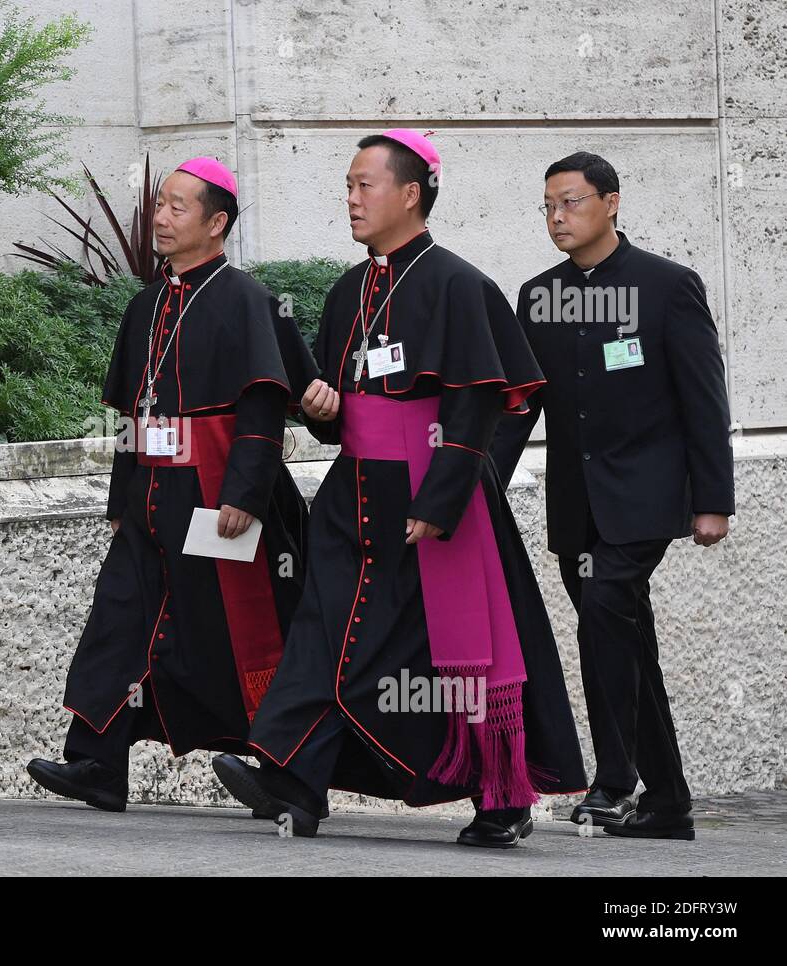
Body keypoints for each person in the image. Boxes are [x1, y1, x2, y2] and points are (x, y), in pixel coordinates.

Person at [213, 131, 587, 847]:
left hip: (427, 496)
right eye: (348, 187)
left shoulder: (457, 283)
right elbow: (338, 409)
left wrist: (440, 503)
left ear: (410, 194)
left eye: (364, 185)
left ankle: (502, 798)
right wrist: (322, 409)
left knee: (443, 655)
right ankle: (292, 780)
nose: (351, 199)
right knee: (322, 634)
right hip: (351, 491)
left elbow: (475, 402)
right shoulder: (351, 288)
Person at [26, 157, 319, 812]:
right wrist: (118, 498)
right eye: (160, 204)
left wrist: (243, 494)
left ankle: (284, 773)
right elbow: (133, 416)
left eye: (178, 207)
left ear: (216, 224)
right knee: (119, 621)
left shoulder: (246, 299)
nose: (160, 217)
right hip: (151, 499)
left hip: (218, 496)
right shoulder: (146, 305)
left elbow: (264, 402)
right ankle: (96, 763)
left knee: (233, 631)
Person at [490, 152, 734, 841]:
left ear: (612, 202)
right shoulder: (538, 296)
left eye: (569, 203)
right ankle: (669, 803)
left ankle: (614, 781)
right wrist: (478, 487)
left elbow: (703, 400)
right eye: (547, 207)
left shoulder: (667, 286)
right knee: (624, 637)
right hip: (578, 505)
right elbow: (519, 407)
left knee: (602, 611)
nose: (557, 218)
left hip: (646, 496)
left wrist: (712, 500)